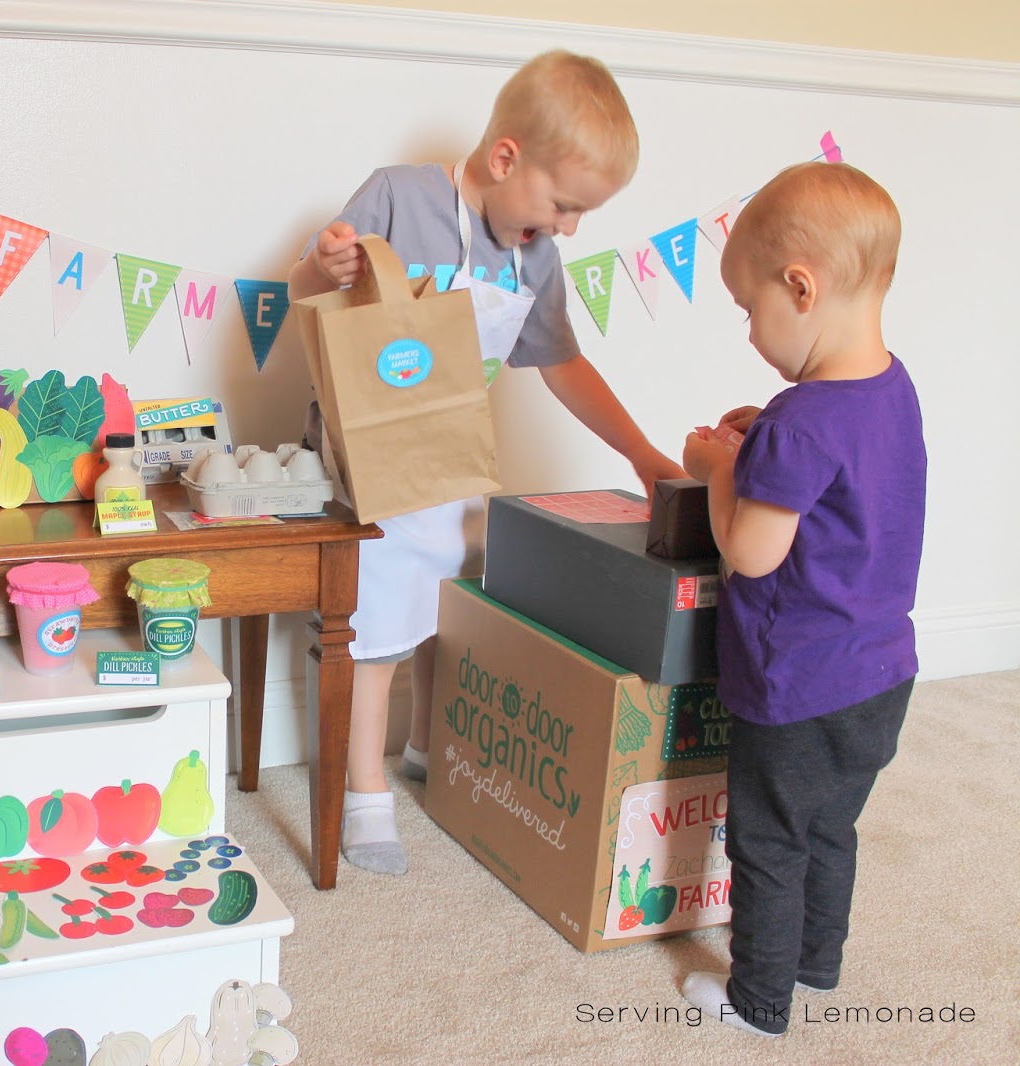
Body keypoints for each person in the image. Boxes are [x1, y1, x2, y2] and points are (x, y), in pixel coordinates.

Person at [286, 50, 686, 875]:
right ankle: (364, 785)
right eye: (562, 206)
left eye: (580, 216)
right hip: (366, 461)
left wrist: (642, 454)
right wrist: (319, 266)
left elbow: (561, 362)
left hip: (450, 453)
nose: (568, 229)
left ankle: (434, 745)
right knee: (383, 599)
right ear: (506, 158)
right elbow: (305, 293)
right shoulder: (398, 196)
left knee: (458, 593)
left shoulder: (530, 256)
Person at [678, 161, 925, 1036]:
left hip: (799, 689)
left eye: (752, 310)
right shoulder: (891, 392)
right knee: (830, 830)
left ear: (802, 286)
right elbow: (838, 498)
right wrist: (763, 442)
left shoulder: (797, 425)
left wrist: (720, 467)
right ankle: (818, 965)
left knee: (770, 842)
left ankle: (758, 1005)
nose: (749, 331)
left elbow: (748, 551)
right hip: (881, 678)